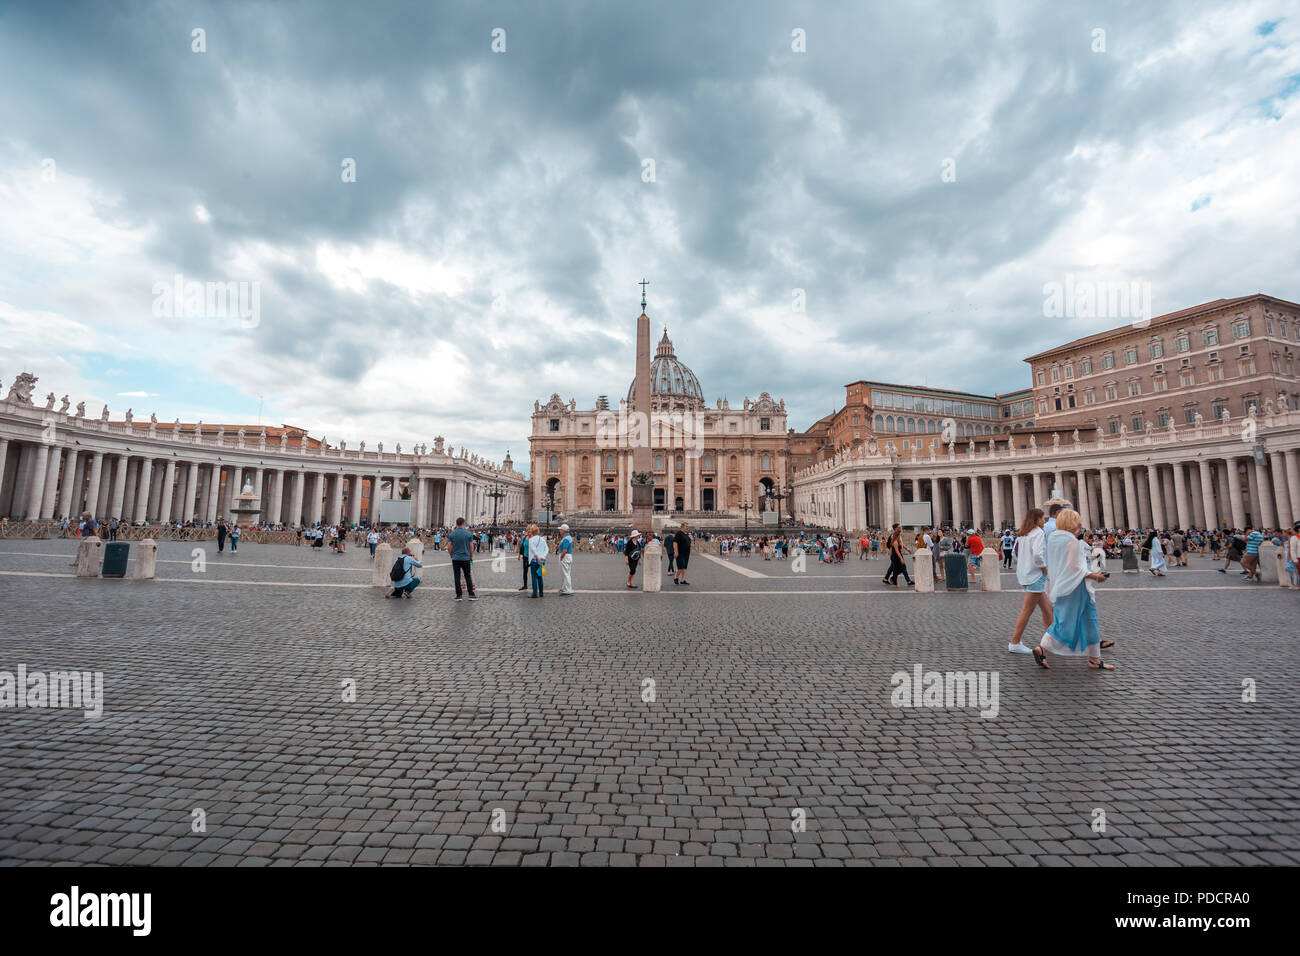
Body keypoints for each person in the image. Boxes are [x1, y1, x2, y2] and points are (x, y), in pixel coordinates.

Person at [1033, 509, 1113, 671]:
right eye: (1078, 521)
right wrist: (1097, 576)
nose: (1080, 525)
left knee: (1067, 620)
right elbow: (1074, 567)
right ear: (1072, 524)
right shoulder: (1072, 542)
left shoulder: (1054, 539)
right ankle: (1043, 648)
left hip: (1060, 585)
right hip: (1076, 587)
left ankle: (1094, 658)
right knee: (1085, 620)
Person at [1010, 509, 1052, 655]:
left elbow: (1015, 553)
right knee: (1027, 610)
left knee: (1048, 609)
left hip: (1025, 574)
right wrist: (1044, 568)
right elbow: (1038, 555)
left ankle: (1053, 641)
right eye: (1043, 518)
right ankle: (1014, 642)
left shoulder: (1023, 534)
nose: (1044, 521)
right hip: (1036, 575)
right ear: (1038, 519)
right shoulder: (1038, 533)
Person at [448, 516, 478, 601]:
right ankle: (471, 594)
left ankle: (459, 595)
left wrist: (451, 554)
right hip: (465, 558)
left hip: (456, 558)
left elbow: (449, 546)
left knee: (457, 577)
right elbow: (471, 547)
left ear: (456, 524)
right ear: (463, 523)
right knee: (467, 576)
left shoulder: (452, 534)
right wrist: (471, 556)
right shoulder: (468, 534)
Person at [526, 522, 548, 597]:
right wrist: (543, 557)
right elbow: (547, 549)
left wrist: (538, 557)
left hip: (534, 561)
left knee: (534, 577)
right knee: (540, 577)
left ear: (532, 531)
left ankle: (535, 593)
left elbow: (533, 550)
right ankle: (541, 593)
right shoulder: (542, 539)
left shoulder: (531, 540)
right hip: (542, 561)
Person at [557, 523, 575, 595]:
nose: (560, 531)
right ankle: (565, 588)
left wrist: (561, 557)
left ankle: (567, 590)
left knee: (565, 574)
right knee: (567, 573)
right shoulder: (568, 537)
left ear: (563, 531)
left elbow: (565, 550)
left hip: (565, 556)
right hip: (568, 556)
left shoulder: (565, 539)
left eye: (560, 530)